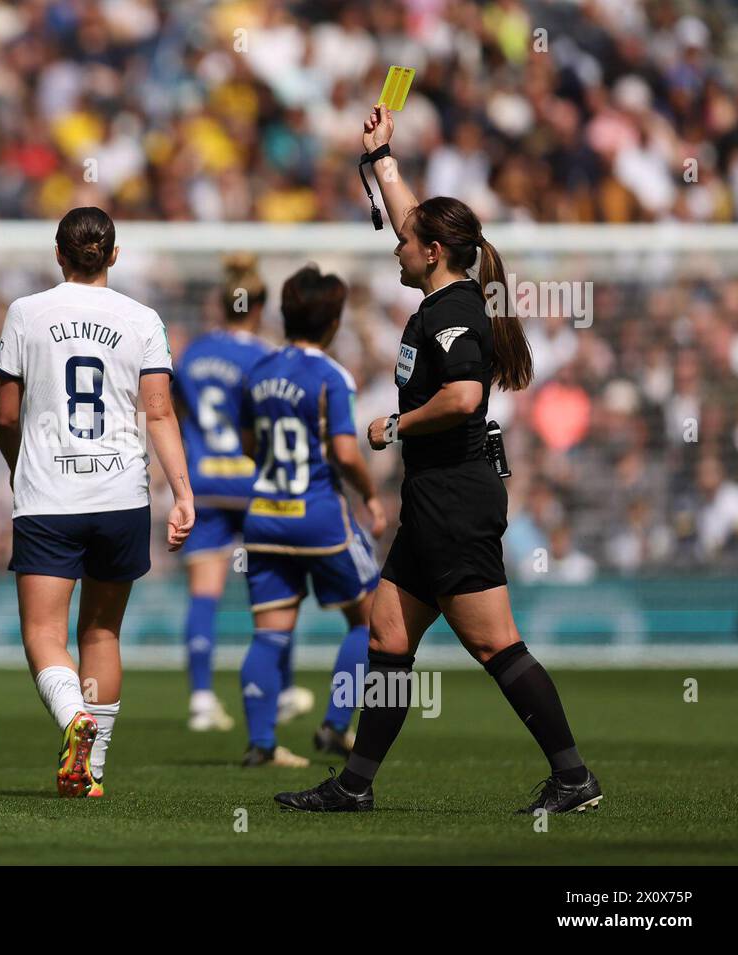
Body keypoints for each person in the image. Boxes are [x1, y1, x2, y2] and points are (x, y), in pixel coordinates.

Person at [276, 106, 602, 814]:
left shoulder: (453, 314)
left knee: (495, 645)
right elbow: (408, 224)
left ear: (432, 253)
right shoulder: (443, 292)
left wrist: (395, 424)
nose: (397, 246)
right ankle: (355, 785)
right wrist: (382, 159)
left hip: (455, 496)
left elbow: (460, 398)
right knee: (388, 635)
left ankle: (574, 777)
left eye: (408, 242)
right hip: (434, 499)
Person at [0, 206, 194, 798]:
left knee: (42, 634)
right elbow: (158, 413)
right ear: (113, 254)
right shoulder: (143, 319)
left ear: (58, 253)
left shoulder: (26, 313)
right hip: (121, 496)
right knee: (102, 633)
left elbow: (6, 415)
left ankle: (71, 720)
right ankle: (92, 770)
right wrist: (182, 493)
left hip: (49, 493)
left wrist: (19, 466)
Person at [237, 264, 386, 768]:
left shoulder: (258, 371)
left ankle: (261, 743)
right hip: (319, 515)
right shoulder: (330, 376)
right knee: (369, 620)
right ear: (334, 322)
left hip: (264, 515)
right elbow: (345, 452)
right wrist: (370, 496)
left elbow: (249, 443)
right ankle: (335, 724)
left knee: (269, 631)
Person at [172, 254, 313, 733]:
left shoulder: (191, 354)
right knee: (273, 590)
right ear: (259, 306)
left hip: (205, 483)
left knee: (204, 595)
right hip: (254, 484)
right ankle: (284, 688)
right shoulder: (264, 358)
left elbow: (177, 413)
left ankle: (201, 699)